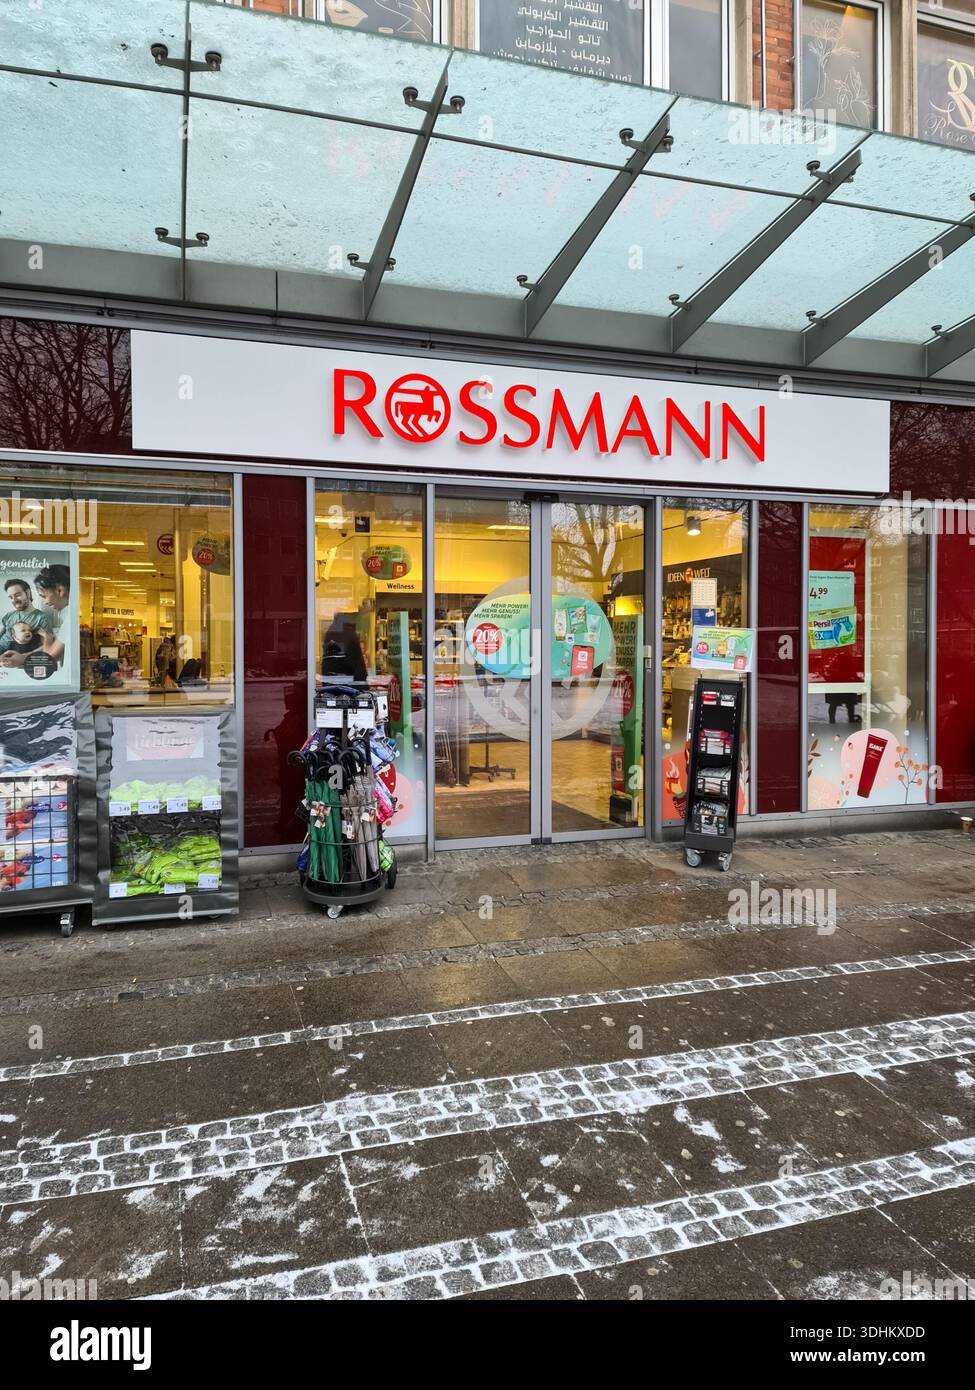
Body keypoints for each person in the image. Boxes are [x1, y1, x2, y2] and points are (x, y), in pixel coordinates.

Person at [0, 577, 55, 668]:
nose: (14, 600)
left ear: (28, 593)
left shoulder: (41, 618)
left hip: (14, 656)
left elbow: (46, 645)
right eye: (11, 597)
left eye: (17, 595)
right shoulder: (9, 615)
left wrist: (23, 657)